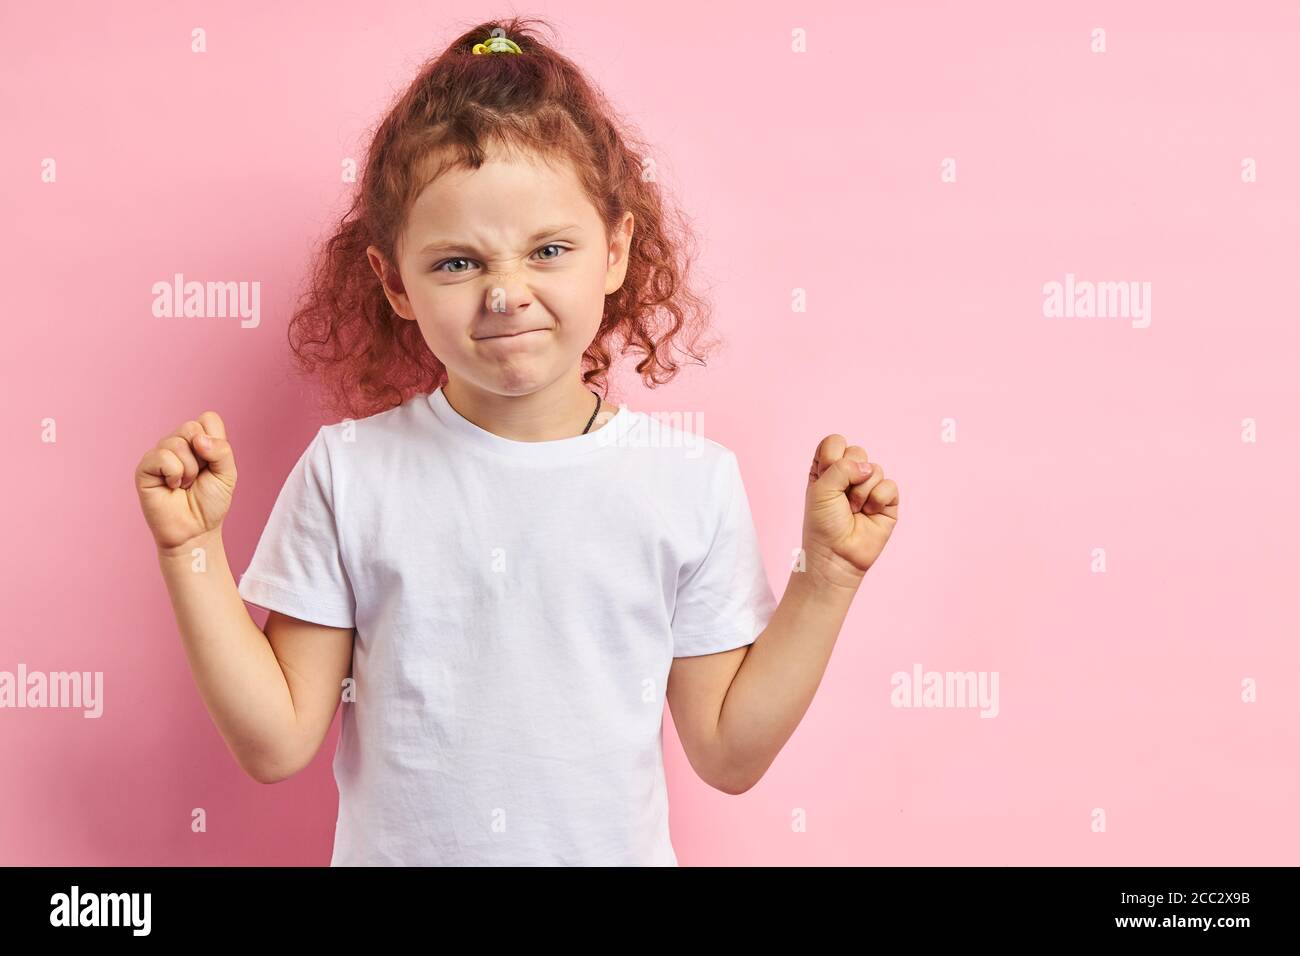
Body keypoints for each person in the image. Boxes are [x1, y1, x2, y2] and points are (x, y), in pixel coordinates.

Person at [133, 17, 900, 866]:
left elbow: (728, 751)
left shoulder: (689, 482)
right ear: (394, 281)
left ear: (615, 250)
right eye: (457, 263)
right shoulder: (350, 474)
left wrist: (826, 580)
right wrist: (192, 551)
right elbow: (275, 744)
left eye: (549, 250)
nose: (505, 294)